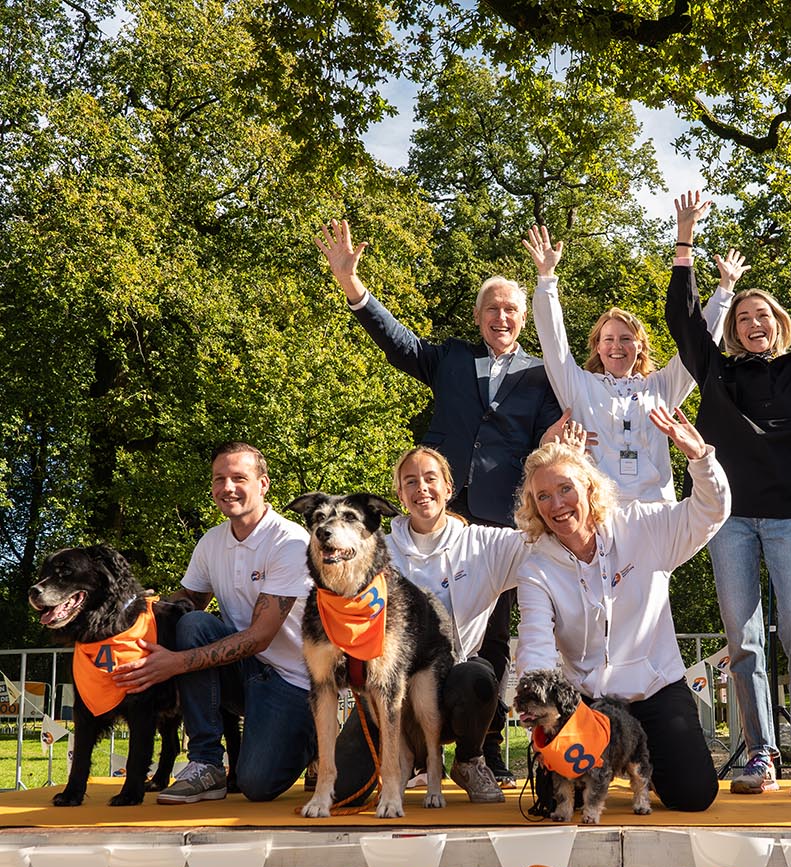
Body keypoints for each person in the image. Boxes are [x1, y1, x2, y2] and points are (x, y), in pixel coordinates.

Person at [315, 219, 562, 786]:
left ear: (524, 319)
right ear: (478, 317)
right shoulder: (451, 358)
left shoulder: (543, 375)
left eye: (511, 310)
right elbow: (398, 342)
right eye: (492, 309)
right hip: (435, 506)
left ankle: (481, 752)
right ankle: (395, 736)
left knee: (490, 642)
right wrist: (353, 285)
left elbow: (551, 437)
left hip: (497, 520)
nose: (501, 317)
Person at [666, 191, 791, 797]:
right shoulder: (720, 372)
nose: (753, 324)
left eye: (763, 316)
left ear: (779, 324)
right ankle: (760, 754)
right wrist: (685, 242)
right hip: (730, 518)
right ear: (733, 332)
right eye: (743, 319)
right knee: (744, 637)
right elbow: (683, 319)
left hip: (790, 517)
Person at [513, 407, 730, 812]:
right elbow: (535, 644)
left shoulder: (642, 525)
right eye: (542, 496)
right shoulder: (536, 569)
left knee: (693, 795)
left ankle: (644, 766)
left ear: (589, 486)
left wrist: (700, 460)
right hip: (588, 701)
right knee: (556, 800)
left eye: (565, 489)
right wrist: (539, 706)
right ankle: (609, 765)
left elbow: (710, 513)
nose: (557, 504)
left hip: (655, 689)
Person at [328, 446, 531, 805]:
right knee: (342, 794)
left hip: (452, 691)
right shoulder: (375, 550)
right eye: (410, 481)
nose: (421, 488)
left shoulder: (484, 544)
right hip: (387, 690)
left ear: (449, 488)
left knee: (478, 676)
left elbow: (541, 537)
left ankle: (469, 760)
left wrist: (560, 463)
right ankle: (407, 760)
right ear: (400, 494)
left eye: (430, 478)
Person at [113, 443, 314, 803]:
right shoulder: (211, 542)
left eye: (239, 478)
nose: (227, 487)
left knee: (256, 785)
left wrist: (176, 663)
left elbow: (260, 637)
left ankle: (313, 739)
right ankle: (206, 763)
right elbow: (187, 601)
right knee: (193, 624)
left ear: (263, 484)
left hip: (292, 681)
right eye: (219, 479)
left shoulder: (291, 541)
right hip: (242, 672)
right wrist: (132, 610)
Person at [524, 224, 748, 501]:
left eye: (626, 339)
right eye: (608, 339)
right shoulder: (579, 385)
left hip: (656, 509)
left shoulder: (661, 387)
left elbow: (698, 347)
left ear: (639, 346)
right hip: (601, 509)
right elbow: (553, 343)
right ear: (597, 347)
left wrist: (725, 290)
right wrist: (546, 278)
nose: (616, 346)